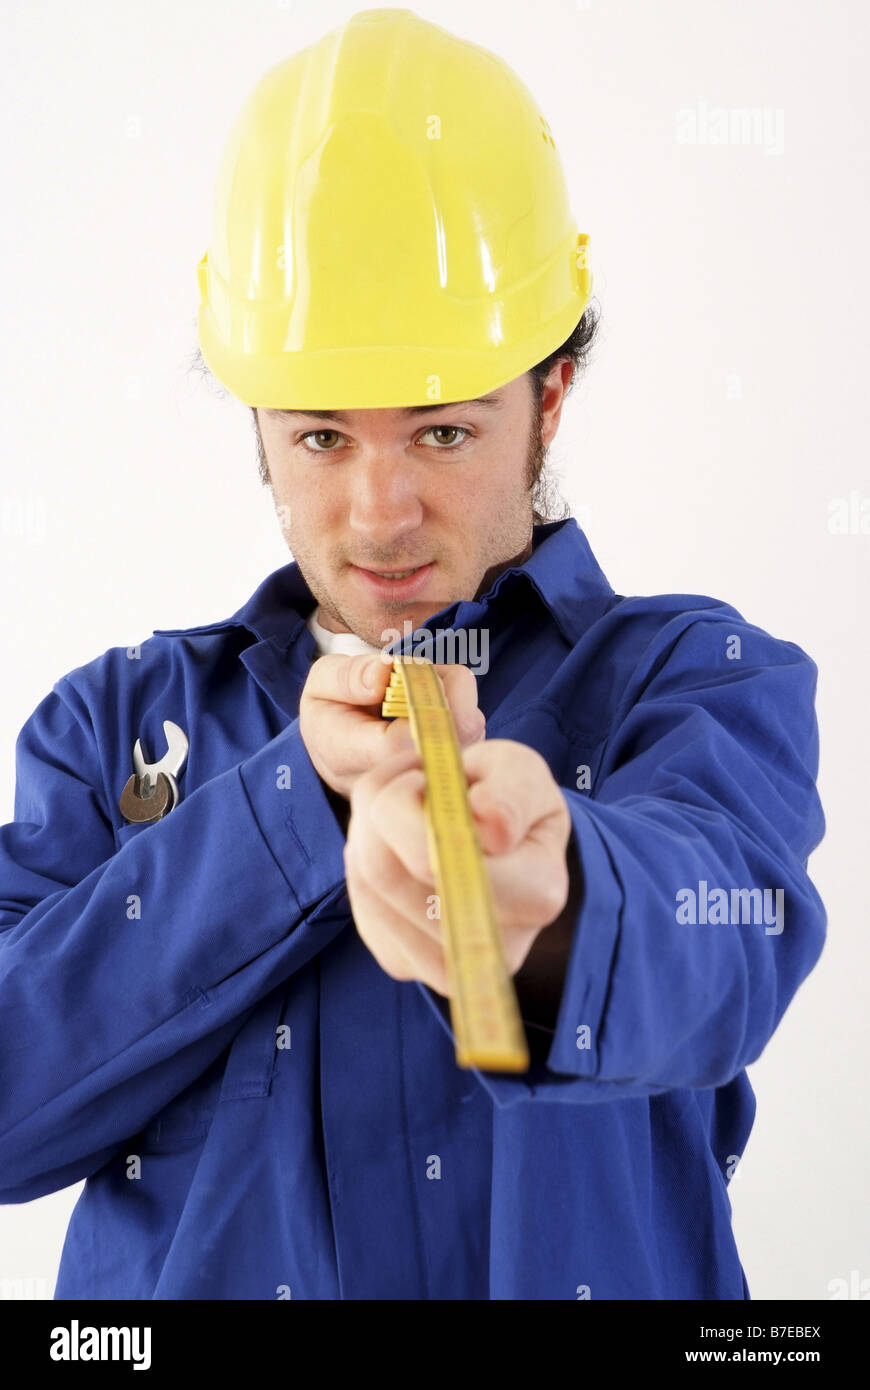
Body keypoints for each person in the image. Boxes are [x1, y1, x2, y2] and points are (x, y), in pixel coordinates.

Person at [0, 9, 825, 1300]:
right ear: (257, 422)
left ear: (547, 397)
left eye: (440, 431)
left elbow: (723, 932)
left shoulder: (697, 680)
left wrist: (549, 909)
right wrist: (299, 810)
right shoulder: (112, 733)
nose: (379, 512)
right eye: (323, 435)